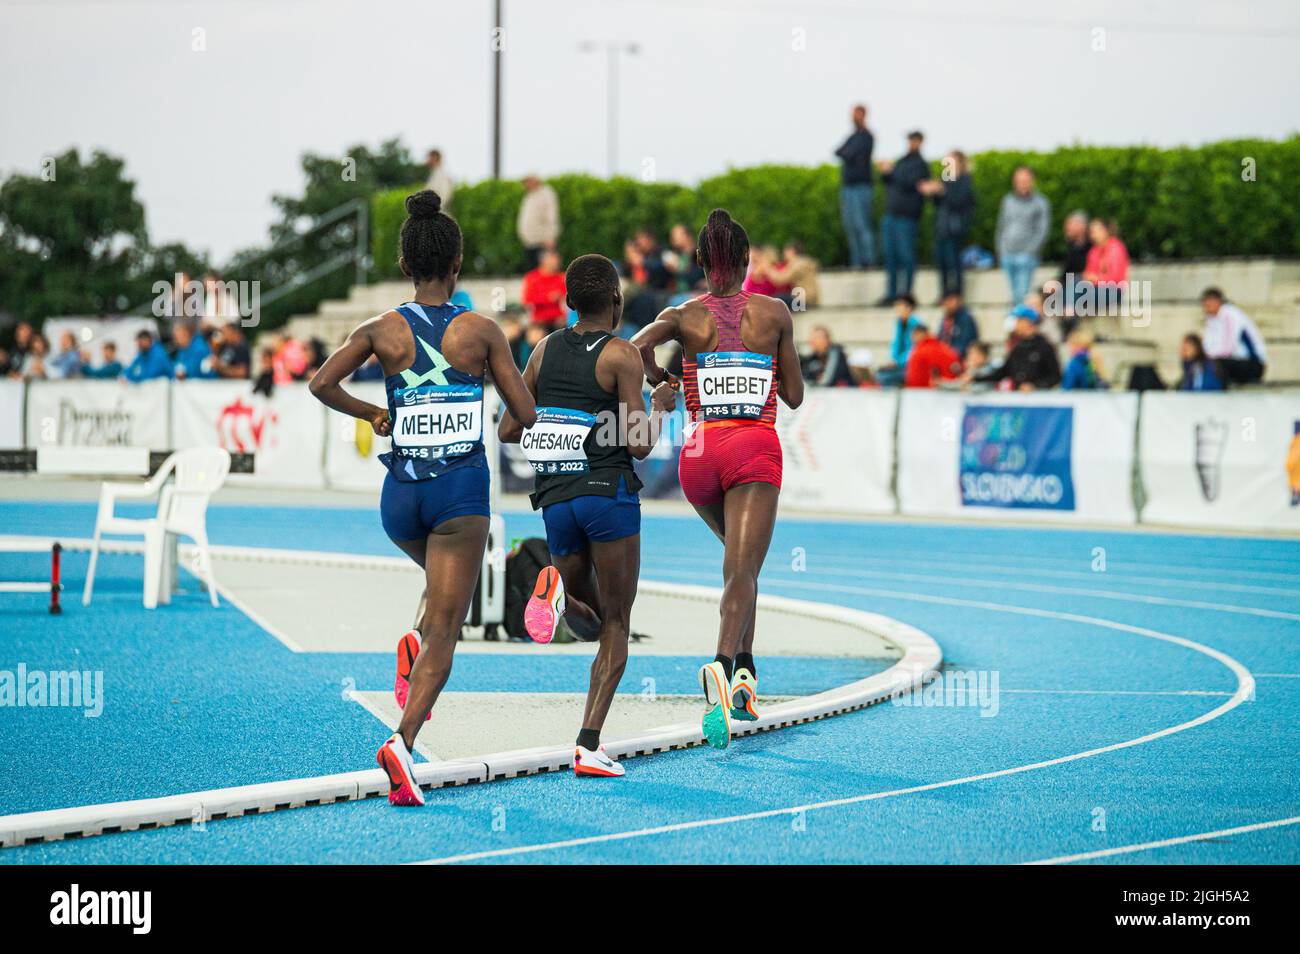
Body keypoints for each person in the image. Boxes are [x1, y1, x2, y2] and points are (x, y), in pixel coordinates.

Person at [308, 190, 537, 807]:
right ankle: (402, 744)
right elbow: (524, 413)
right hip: (460, 497)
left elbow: (320, 382)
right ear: (456, 265)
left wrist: (375, 412)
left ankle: (415, 637)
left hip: (400, 502)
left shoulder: (381, 328)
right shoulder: (481, 331)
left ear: (406, 265)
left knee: (437, 598)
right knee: (448, 625)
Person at [632, 208, 804, 750]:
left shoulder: (683, 314)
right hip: (753, 448)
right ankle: (723, 665)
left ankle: (748, 675)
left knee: (740, 566)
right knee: (741, 571)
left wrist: (661, 381)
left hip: (699, 453)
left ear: (701, 262)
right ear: (748, 260)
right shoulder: (774, 312)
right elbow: (795, 396)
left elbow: (635, 346)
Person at [498, 254, 676, 778]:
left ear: (570, 303)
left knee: (588, 620)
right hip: (606, 494)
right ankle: (588, 743)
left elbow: (510, 428)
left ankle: (559, 592)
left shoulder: (543, 349)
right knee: (618, 623)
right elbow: (640, 446)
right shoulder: (621, 355)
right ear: (617, 301)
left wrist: (554, 417)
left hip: (555, 498)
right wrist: (660, 404)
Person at [875, 130, 930, 305]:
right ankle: (891, 294)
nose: (911, 144)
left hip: (907, 218)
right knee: (890, 256)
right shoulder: (902, 161)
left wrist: (892, 172)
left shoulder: (921, 165)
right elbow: (891, 181)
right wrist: (885, 172)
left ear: (920, 142)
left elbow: (910, 183)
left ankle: (906, 294)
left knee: (906, 257)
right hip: (891, 215)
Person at [921, 150, 975, 298]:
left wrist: (943, 191)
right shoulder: (946, 179)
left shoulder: (965, 180)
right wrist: (934, 192)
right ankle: (944, 294)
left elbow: (959, 201)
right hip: (942, 229)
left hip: (955, 230)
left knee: (954, 263)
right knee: (942, 263)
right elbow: (939, 204)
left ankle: (957, 295)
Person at [995, 166, 1051, 306]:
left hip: (1026, 256)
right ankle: (1016, 324)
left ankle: (1019, 324)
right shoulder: (1007, 200)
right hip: (1008, 254)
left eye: (1025, 180)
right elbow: (1002, 225)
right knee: (1014, 295)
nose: (1022, 183)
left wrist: (1031, 250)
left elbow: (1043, 229)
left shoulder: (1041, 202)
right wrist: (1001, 249)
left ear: (1032, 181)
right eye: (1019, 180)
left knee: (1022, 295)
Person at [835, 103, 876, 269]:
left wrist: (849, 154)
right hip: (848, 188)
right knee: (851, 225)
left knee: (862, 225)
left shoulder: (867, 136)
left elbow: (848, 153)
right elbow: (839, 151)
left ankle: (869, 260)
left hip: (861, 187)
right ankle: (857, 262)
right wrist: (850, 154)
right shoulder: (852, 137)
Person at [1200, 287, 1267, 385]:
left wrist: (1208, 360)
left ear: (1218, 301)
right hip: (1231, 362)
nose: (1206, 304)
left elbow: (1227, 350)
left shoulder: (1230, 315)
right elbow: (1207, 346)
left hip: (1252, 363)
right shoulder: (1210, 319)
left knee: (1216, 364)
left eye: (1209, 300)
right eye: (1204, 301)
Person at [989, 305, 1061, 391]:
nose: (1015, 324)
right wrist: (976, 378)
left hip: (1040, 400)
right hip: (1020, 399)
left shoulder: (1044, 347)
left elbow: (1055, 377)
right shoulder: (1018, 348)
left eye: (1018, 320)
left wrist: (1035, 386)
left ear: (1027, 322)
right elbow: (1003, 372)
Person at [874, 293, 924, 387]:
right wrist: (892, 360)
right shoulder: (899, 323)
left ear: (909, 308)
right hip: (900, 366)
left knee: (884, 378)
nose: (897, 309)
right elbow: (895, 344)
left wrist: (897, 362)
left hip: (911, 366)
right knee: (879, 375)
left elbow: (915, 350)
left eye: (900, 306)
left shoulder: (917, 325)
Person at [1082, 218, 1130, 313]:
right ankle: (1069, 318)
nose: (1093, 235)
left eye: (1095, 231)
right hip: (1096, 289)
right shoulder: (1093, 251)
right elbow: (1088, 274)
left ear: (1106, 231)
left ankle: (1068, 318)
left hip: (1114, 291)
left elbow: (1115, 278)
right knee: (1073, 287)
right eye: (1091, 232)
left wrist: (1096, 279)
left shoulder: (1116, 248)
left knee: (1076, 292)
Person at [517, 175, 561, 270]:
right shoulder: (529, 195)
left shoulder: (546, 194)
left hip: (542, 242)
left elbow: (551, 217)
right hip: (530, 242)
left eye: (528, 181)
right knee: (534, 273)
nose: (525, 184)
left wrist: (550, 237)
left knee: (545, 272)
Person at [904, 322, 962, 388]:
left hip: (928, 390)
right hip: (951, 384)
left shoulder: (921, 351)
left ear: (921, 334)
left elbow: (914, 380)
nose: (912, 339)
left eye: (914, 335)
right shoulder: (942, 347)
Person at [520, 248, 568, 329]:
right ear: (544, 260)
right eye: (555, 258)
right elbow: (527, 300)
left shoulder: (562, 277)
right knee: (535, 334)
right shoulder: (532, 278)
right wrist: (548, 298)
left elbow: (569, 299)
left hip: (558, 320)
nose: (558, 261)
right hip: (539, 320)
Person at [772, 241, 820, 310]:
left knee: (777, 300)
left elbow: (781, 279)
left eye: (785, 251)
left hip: (805, 300)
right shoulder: (804, 262)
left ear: (792, 251)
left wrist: (766, 268)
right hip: (810, 299)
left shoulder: (798, 264)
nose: (784, 254)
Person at [935, 291, 977, 359]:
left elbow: (966, 343)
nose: (948, 305)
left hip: (960, 359)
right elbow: (940, 339)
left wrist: (950, 355)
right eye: (946, 302)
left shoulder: (966, 319)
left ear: (958, 301)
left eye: (951, 301)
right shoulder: (946, 319)